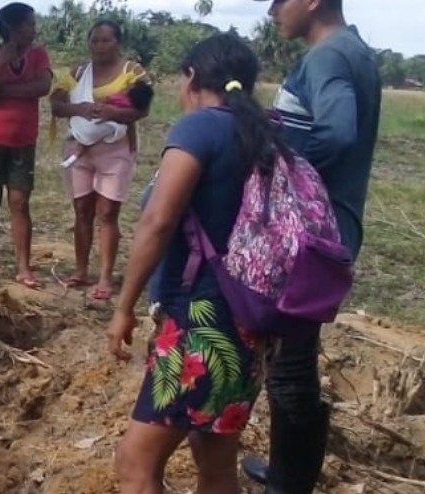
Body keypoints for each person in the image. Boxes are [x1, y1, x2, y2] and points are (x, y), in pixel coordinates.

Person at [104, 33, 276, 494]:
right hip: (250, 324)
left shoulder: (199, 129)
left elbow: (158, 223)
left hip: (200, 324)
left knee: (136, 463)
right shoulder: (263, 131)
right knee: (215, 459)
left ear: (192, 77)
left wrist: (123, 307)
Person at [244, 0, 383, 491]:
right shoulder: (353, 50)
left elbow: (337, 133)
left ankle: (289, 483)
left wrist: (274, 162)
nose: (271, 10)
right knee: (292, 358)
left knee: (288, 362)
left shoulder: (327, 56)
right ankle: (289, 472)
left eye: (280, 1)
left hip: (312, 236)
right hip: (329, 228)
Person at [47, 20, 152, 301]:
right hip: (78, 146)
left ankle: (105, 275)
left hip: (115, 150)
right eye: (95, 40)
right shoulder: (78, 72)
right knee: (82, 210)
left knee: (107, 213)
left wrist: (110, 113)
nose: (99, 46)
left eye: (106, 40)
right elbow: (56, 105)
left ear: (118, 42)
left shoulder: (132, 72)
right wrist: (78, 108)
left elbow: (142, 109)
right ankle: (81, 270)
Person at [0, 2, 52, 290]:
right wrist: (2, 63)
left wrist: (6, 91)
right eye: (29, 24)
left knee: (20, 202)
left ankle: (23, 268)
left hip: (23, 139)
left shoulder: (39, 55)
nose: (34, 29)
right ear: (13, 28)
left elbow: (42, 87)